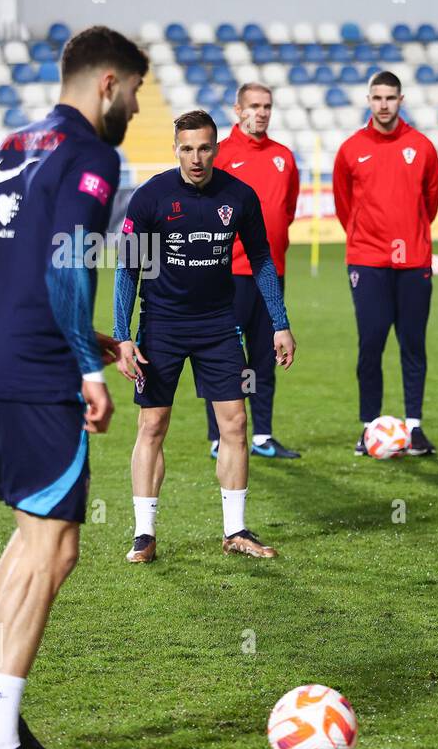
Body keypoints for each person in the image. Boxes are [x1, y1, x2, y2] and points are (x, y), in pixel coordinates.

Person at [0, 25, 145, 749]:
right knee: (51, 547)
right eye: (134, 90)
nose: (135, 104)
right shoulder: (93, 154)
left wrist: (80, 336)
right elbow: (70, 258)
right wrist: (79, 366)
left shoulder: (6, 147)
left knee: (41, 541)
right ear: (106, 84)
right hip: (35, 372)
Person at [114, 109, 296, 564]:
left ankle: (235, 529)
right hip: (161, 326)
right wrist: (123, 337)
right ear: (175, 149)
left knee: (235, 424)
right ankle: (143, 534)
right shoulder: (150, 197)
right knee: (152, 425)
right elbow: (128, 269)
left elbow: (262, 260)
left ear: (217, 148)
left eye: (204, 148)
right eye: (187, 148)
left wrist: (280, 321)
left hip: (218, 325)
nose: (196, 158)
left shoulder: (239, 196)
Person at [333, 70, 438, 456]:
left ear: (401, 100)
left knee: (413, 344)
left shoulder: (423, 147)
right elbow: (344, 207)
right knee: (371, 344)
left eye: (390, 98)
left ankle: (414, 428)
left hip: (413, 262)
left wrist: (408, 237)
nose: (383, 104)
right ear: (368, 100)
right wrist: (369, 241)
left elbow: (430, 205)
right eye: (377, 97)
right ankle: (370, 427)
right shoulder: (350, 149)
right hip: (368, 261)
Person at [204, 82, 301, 460]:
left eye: (266, 106)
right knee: (225, 356)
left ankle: (262, 434)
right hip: (229, 274)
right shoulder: (222, 155)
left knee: (265, 355)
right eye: (253, 106)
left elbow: (286, 209)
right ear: (237, 110)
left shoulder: (284, 157)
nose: (260, 112)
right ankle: (219, 437)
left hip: (271, 273)